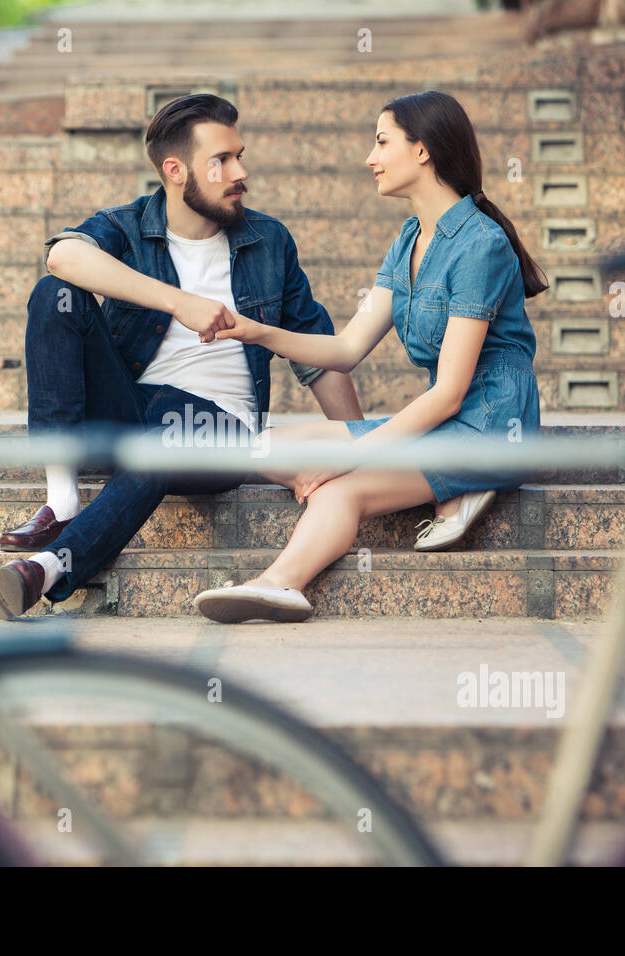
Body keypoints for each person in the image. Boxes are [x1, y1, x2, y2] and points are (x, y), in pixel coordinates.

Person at [0, 93, 363, 619]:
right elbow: (63, 255)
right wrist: (177, 301)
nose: (240, 171)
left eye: (239, 155)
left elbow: (317, 356)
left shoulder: (269, 241)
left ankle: (48, 569)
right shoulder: (129, 226)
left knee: (166, 438)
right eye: (222, 160)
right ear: (175, 170)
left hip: (217, 429)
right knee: (55, 293)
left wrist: (366, 447)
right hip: (132, 406)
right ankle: (61, 500)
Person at [192, 90, 548, 624]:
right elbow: (346, 349)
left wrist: (347, 459)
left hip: (490, 425)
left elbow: (450, 394)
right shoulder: (410, 237)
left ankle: (280, 585)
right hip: (440, 420)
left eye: (382, 142)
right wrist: (257, 331)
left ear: (423, 151)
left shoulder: (482, 245)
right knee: (262, 449)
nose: (370, 157)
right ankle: (449, 487)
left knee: (343, 488)